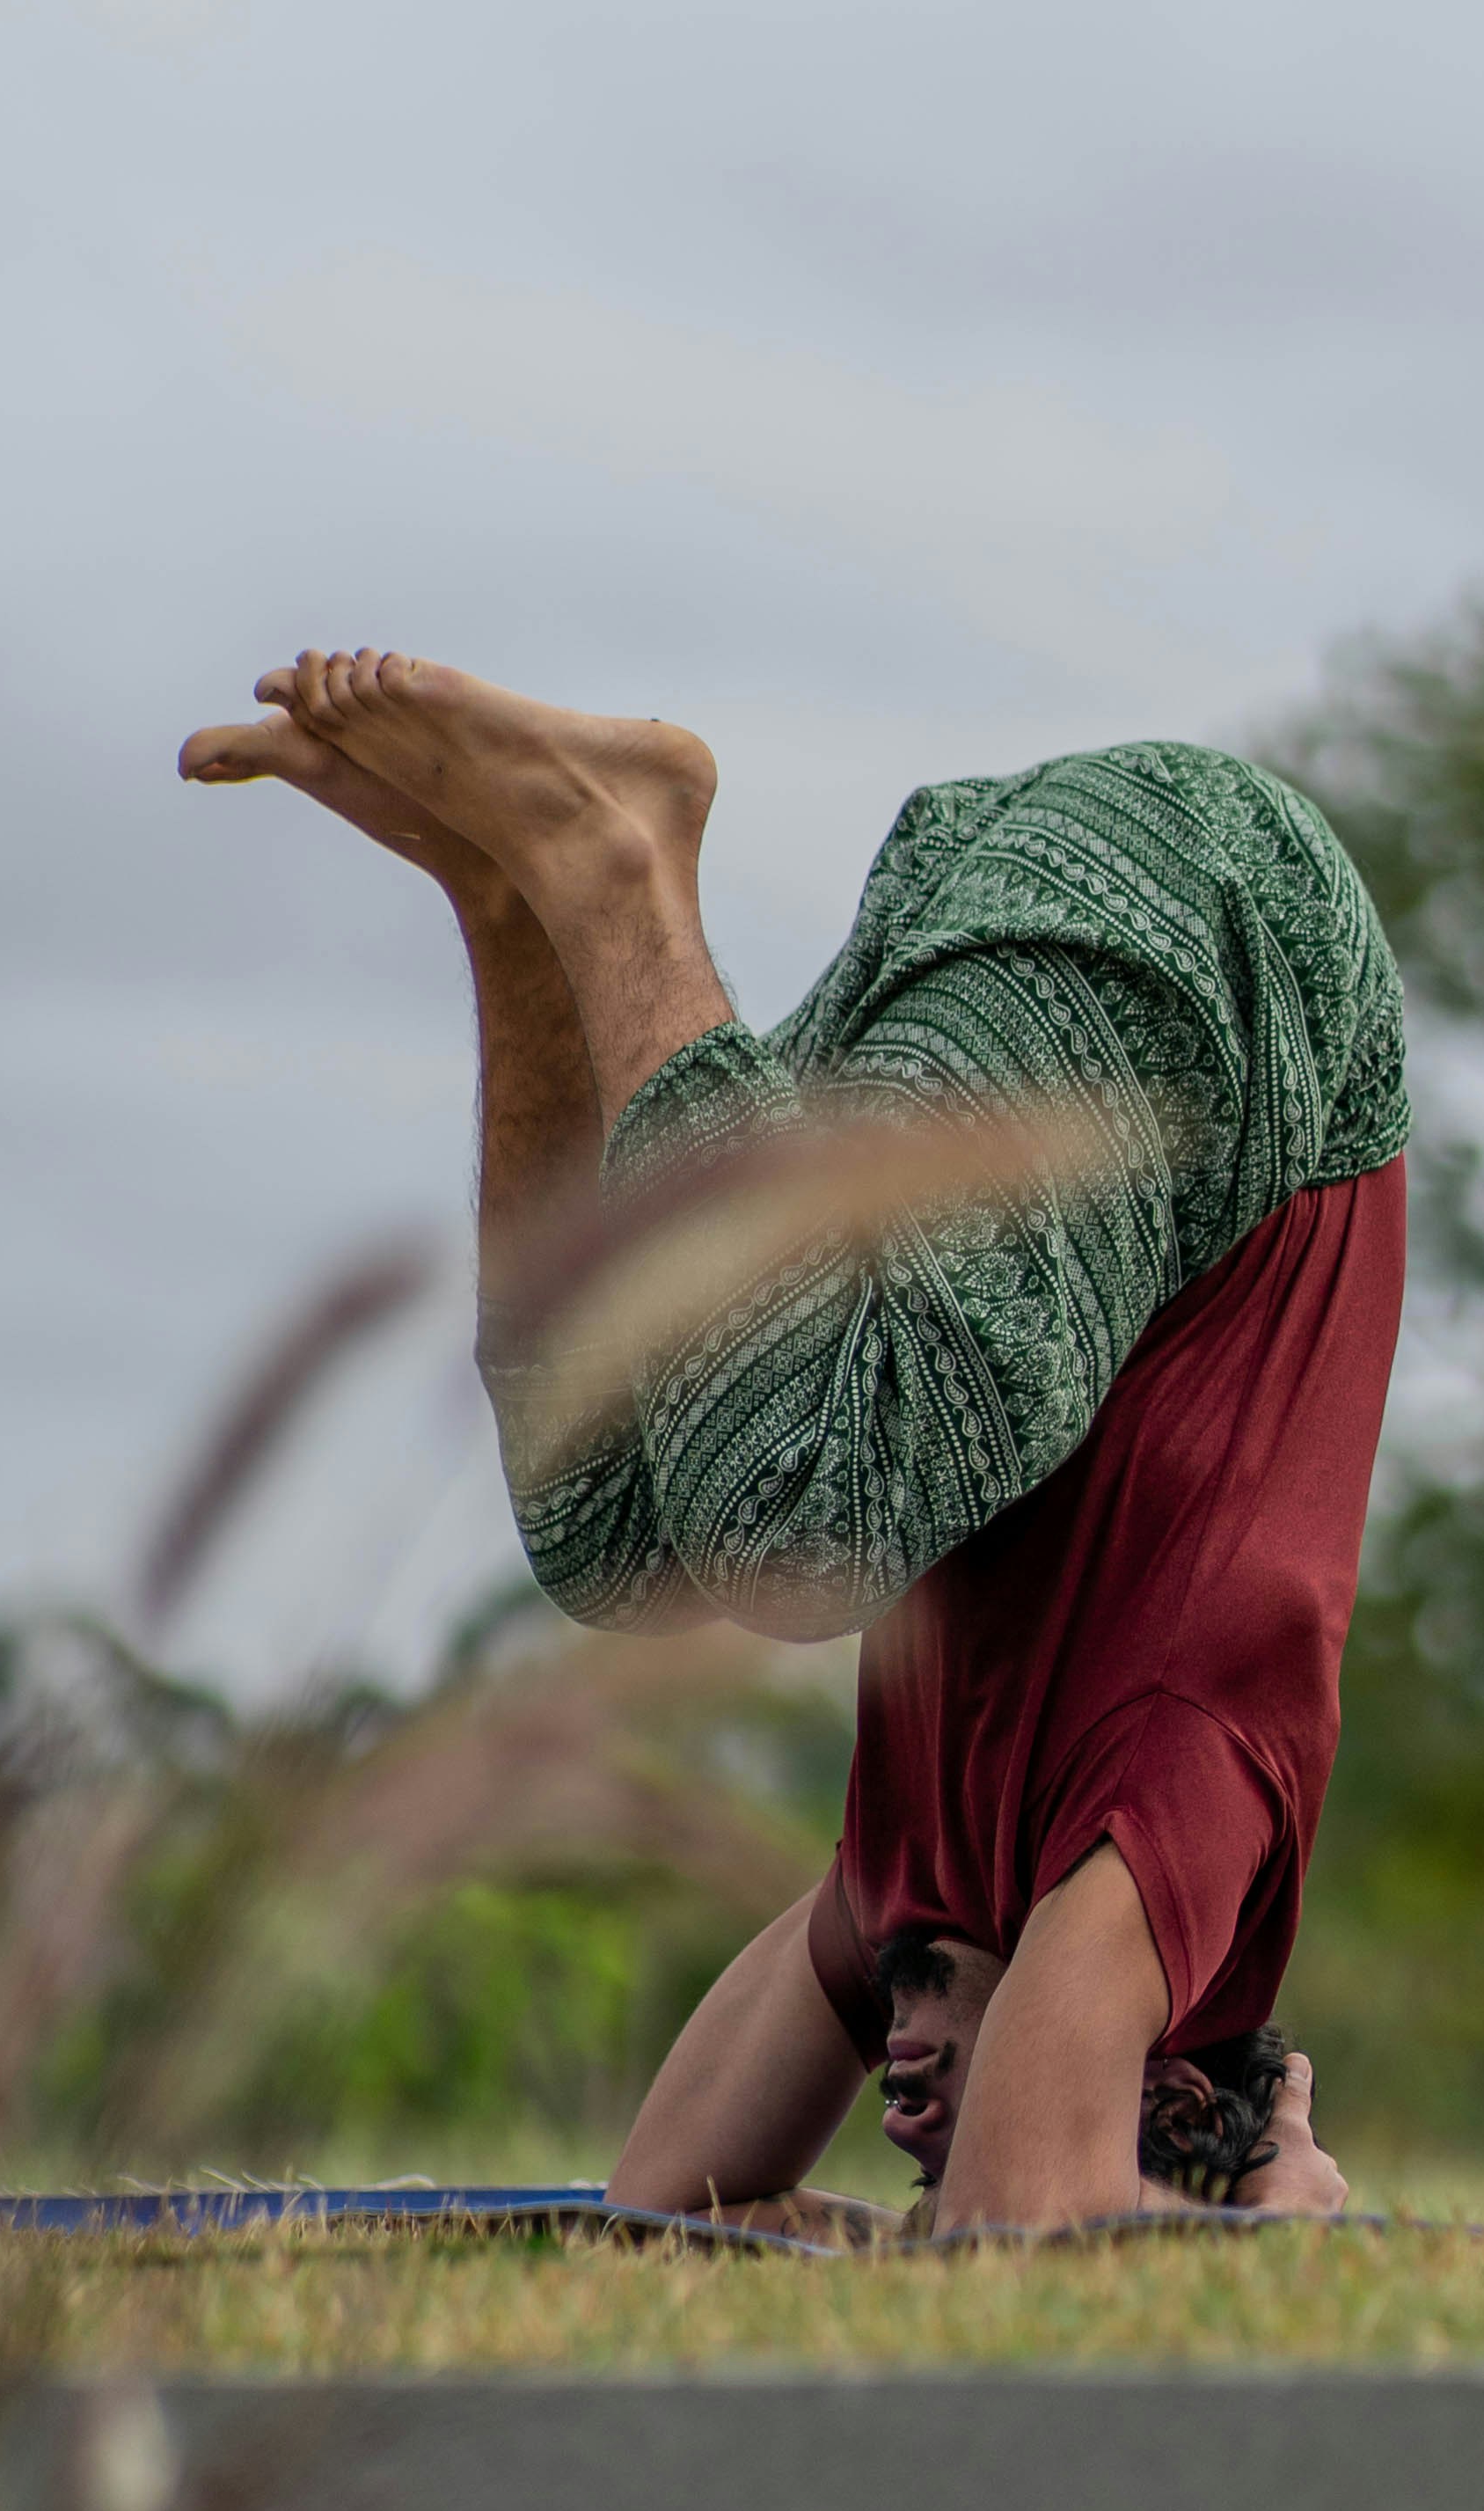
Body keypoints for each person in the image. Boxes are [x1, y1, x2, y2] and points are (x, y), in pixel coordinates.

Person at [180, 649, 1407, 2237]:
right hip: (1236, 968)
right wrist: (1287, 2229)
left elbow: (656, 2218)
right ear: (1159, 2094)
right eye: (926, 2147)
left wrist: (812, 2240)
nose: (894, 2127)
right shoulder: (1185, 1806)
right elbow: (1025, 2233)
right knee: (795, 1512)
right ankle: (617, 871)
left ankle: (525, 905)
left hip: (1069, 955)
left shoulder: (925, 1884)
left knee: (616, 1534)